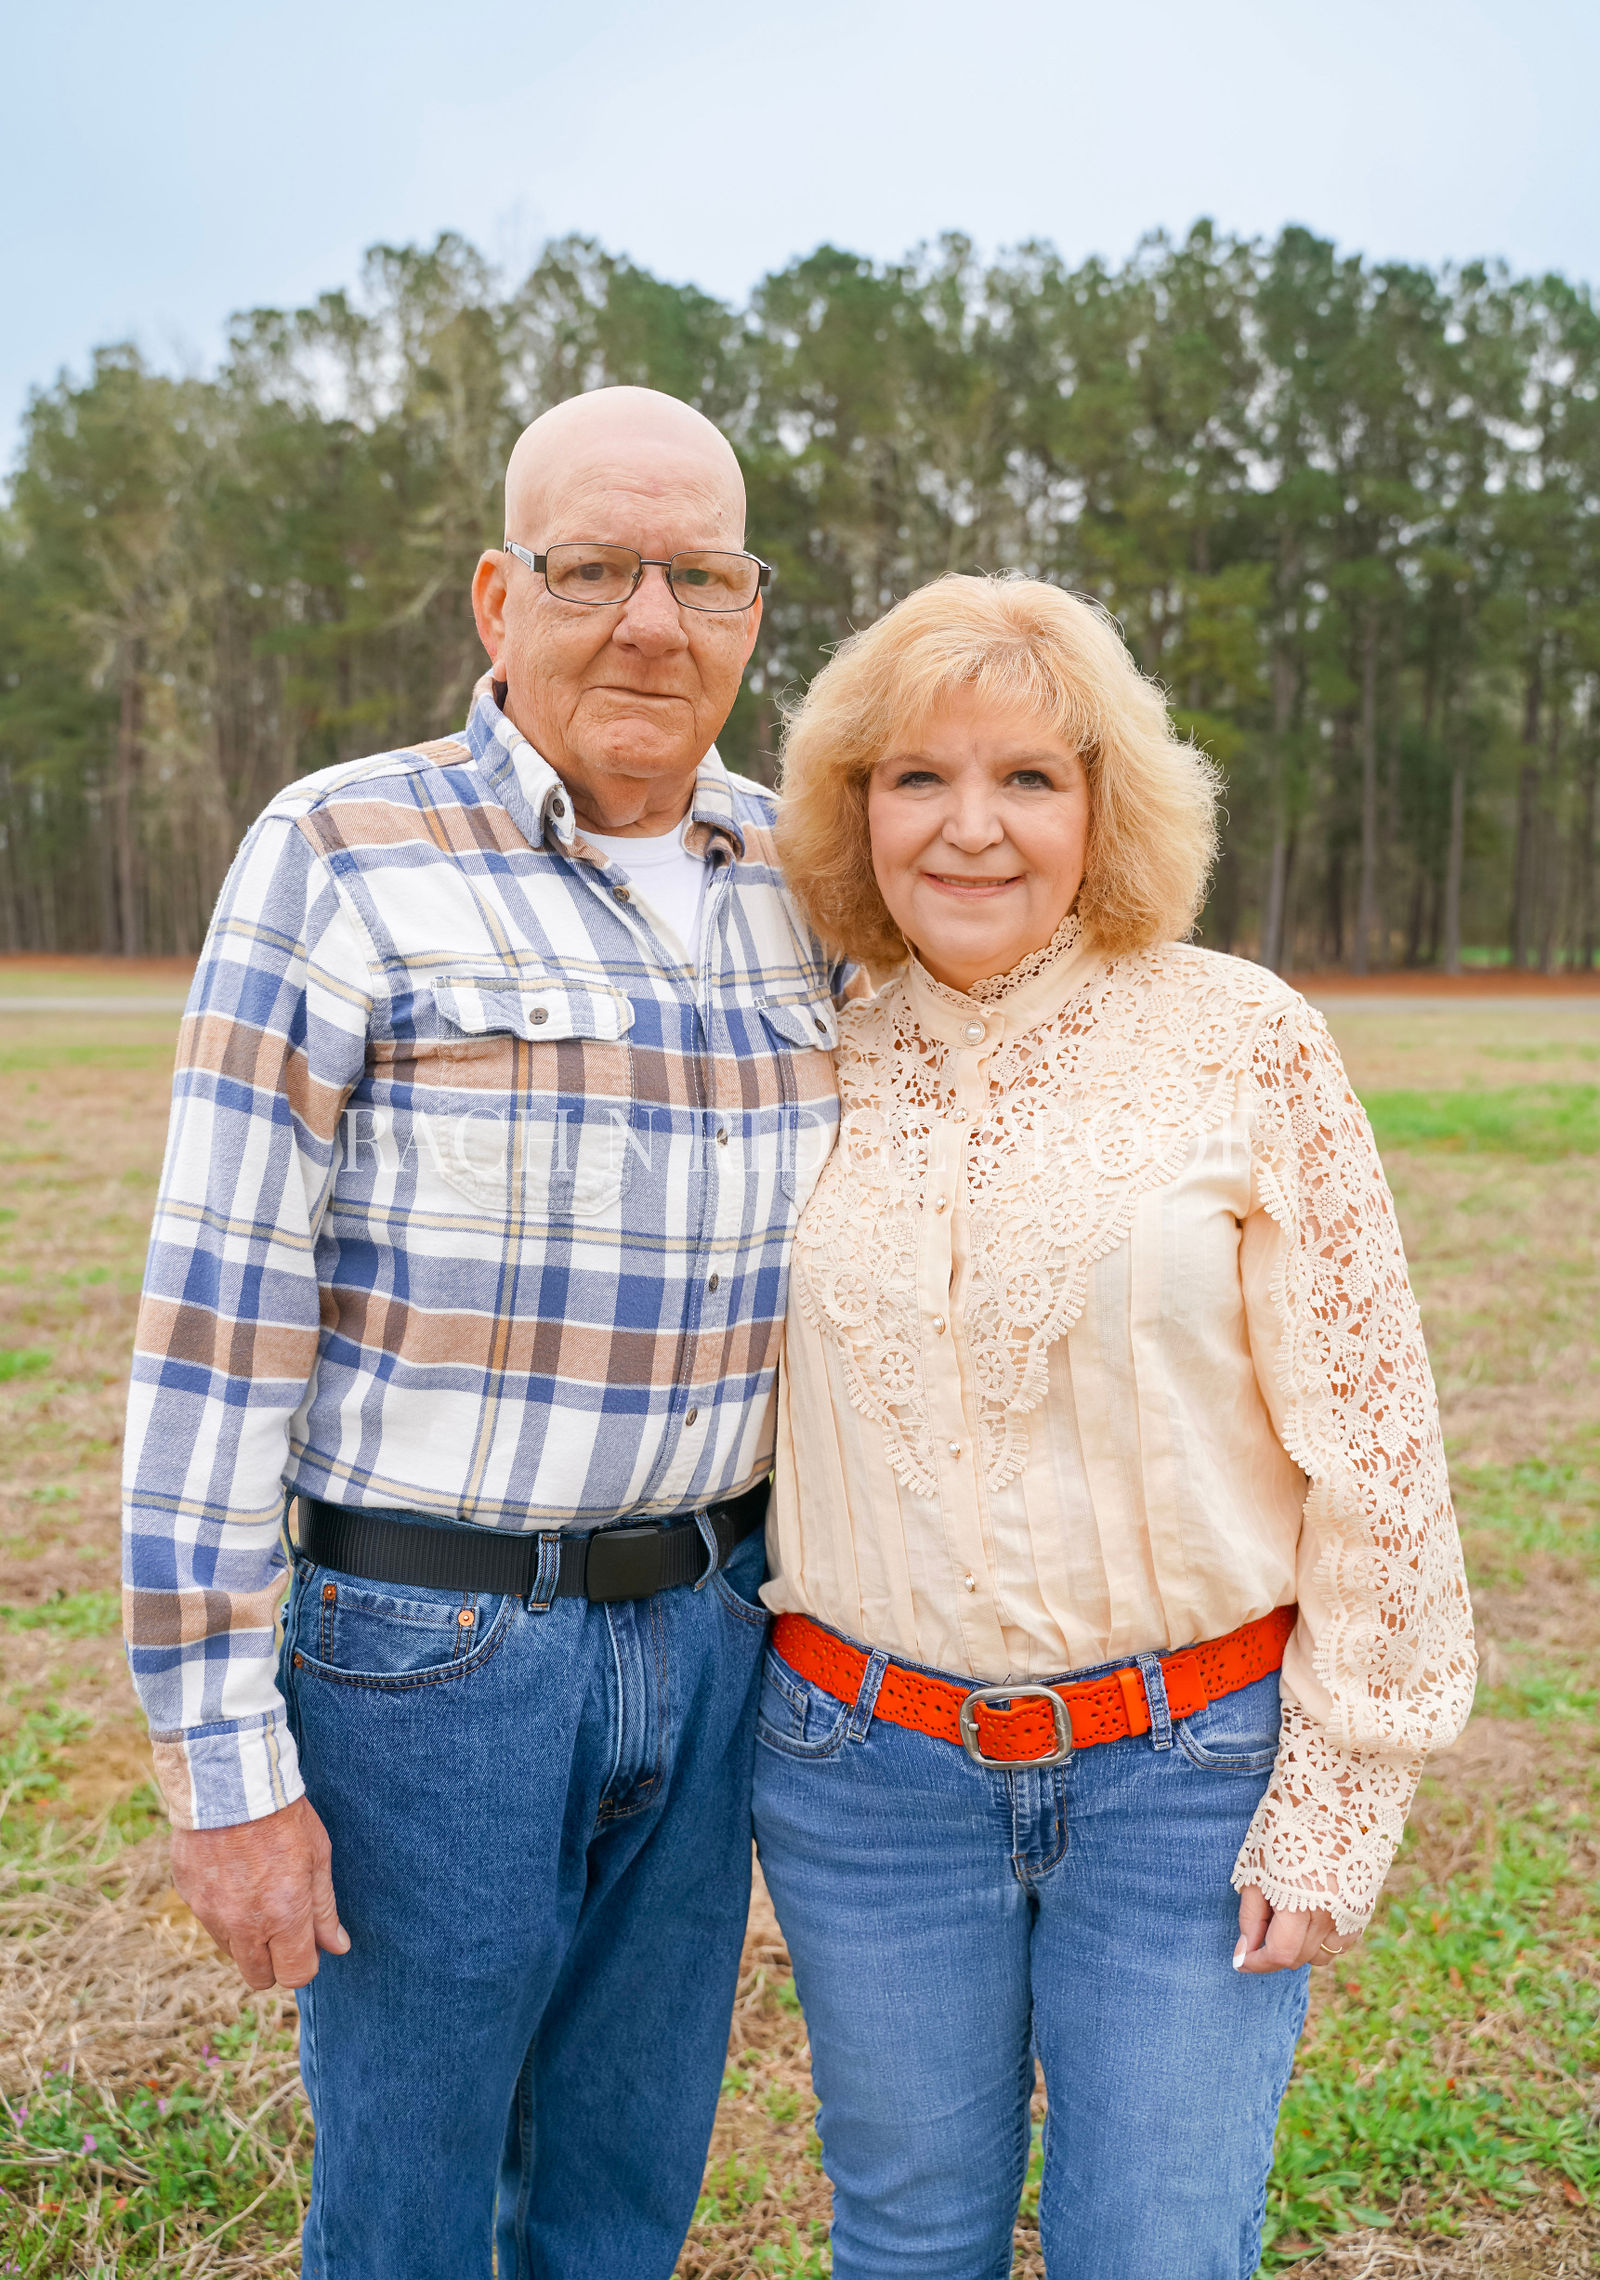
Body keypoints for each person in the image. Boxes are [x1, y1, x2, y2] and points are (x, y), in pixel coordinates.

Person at [121, 385, 852, 2280]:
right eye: (594, 569)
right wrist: (224, 1764)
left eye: (698, 575)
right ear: (495, 598)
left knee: (622, 2194)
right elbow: (220, 1317)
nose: (649, 621)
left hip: (714, 1644)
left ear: (753, 612)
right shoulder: (342, 851)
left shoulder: (807, 886)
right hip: (428, 1664)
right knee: (413, 2212)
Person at [753, 573, 1477, 2280]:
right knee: (907, 2240)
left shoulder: (1244, 1041)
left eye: (1030, 778)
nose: (971, 829)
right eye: (917, 778)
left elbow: (1376, 1440)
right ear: (856, 810)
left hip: (1188, 1773)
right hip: (867, 1778)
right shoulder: (800, 1048)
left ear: (1108, 807)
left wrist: (1338, 1792)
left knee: (1152, 2247)